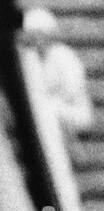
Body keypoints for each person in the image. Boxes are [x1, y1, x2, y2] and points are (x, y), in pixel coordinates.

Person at [19, 8, 92, 161]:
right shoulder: (29, 59)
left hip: (73, 111)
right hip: (42, 113)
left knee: (47, 111)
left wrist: (50, 99)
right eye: (33, 35)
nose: (37, 39)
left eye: (40, 34)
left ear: (48, 34)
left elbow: (73, 90)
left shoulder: (64, 56)